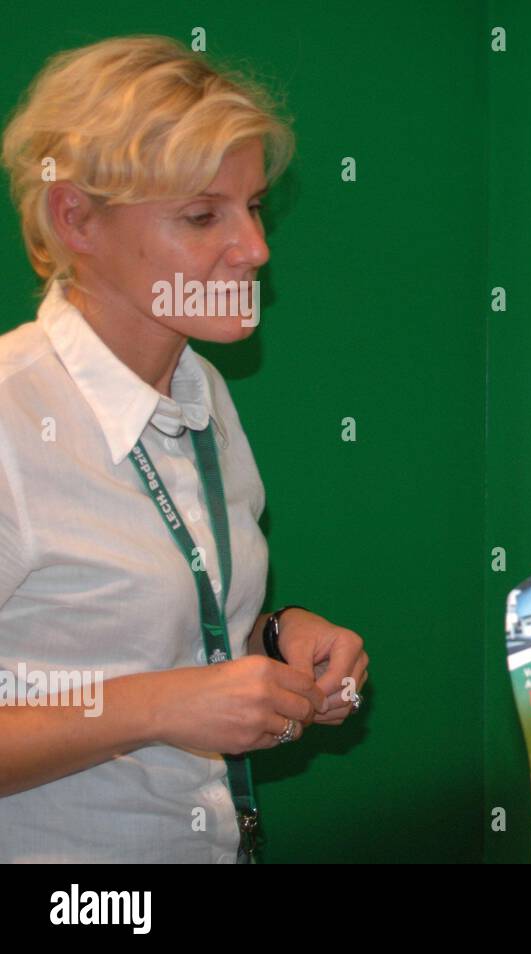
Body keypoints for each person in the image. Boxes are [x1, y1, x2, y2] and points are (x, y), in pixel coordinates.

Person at [0, 35, 368, 862]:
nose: (255, 248)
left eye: (255, 205)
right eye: (203, 215)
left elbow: (155, 629)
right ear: (75, 219)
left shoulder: (200, 390)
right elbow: (159, 690)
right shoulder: (12, 416)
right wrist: (157, 708)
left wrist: (275, 639)